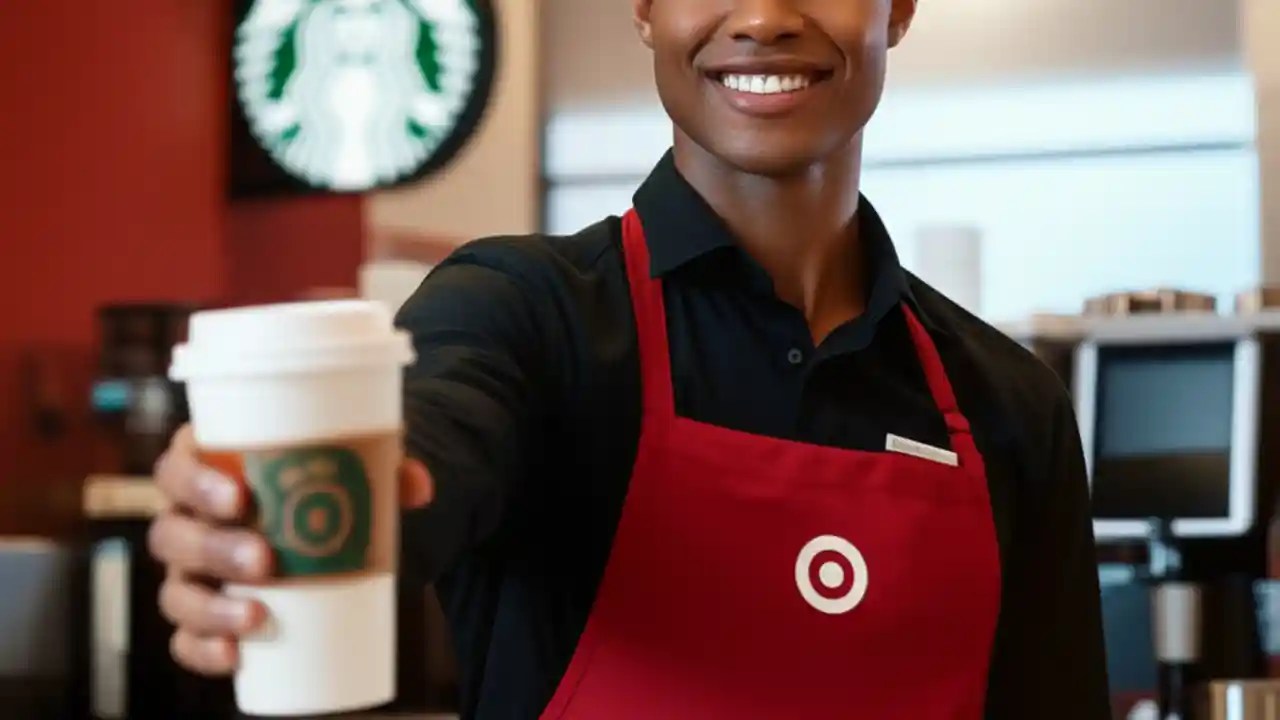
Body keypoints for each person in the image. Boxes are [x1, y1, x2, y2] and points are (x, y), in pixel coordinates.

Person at [147, 0, 1112, 717]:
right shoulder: (526, 316)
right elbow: (430, 441)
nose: (766, 18)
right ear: (644, 7)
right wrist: (281, 526)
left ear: (898, 8)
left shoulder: (1008, 402)